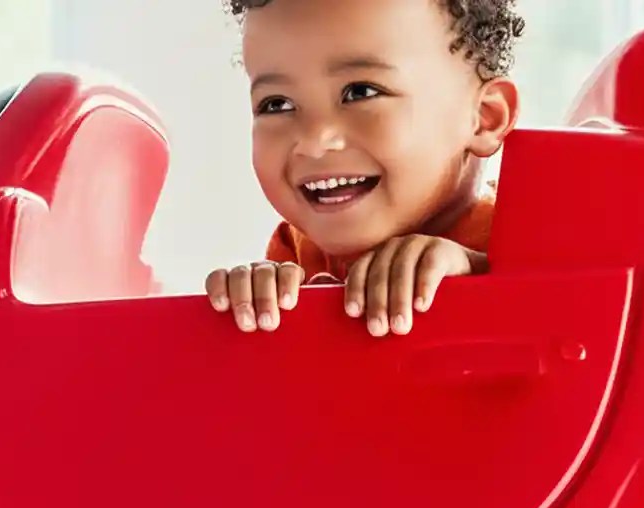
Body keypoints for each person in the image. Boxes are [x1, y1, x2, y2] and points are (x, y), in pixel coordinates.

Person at [205, 0, 524, 336]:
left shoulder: (525, 243)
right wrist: (251, 309)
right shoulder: (295, 254)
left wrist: (478, 275)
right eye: (277, 104)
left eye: (361, 92)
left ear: (484, 119)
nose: (314, 142)